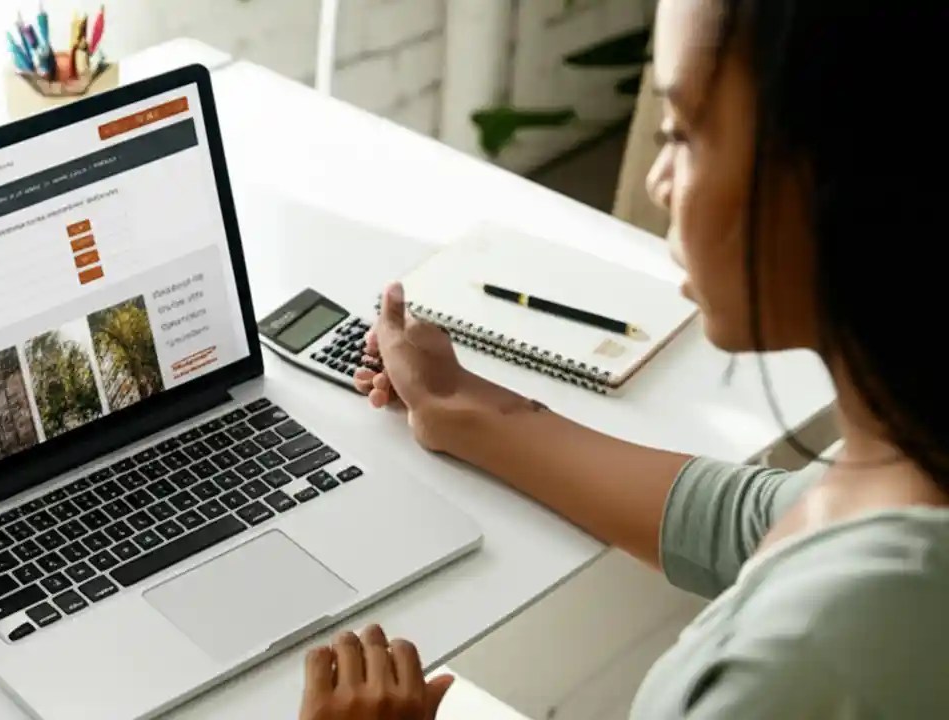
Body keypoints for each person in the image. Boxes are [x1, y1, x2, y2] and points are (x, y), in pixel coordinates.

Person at [296, 0, 949, 718]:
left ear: (843, 165)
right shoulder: (909, 468)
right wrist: (459, 407)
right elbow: (753, 518)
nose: (656, 181)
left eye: (683, 133)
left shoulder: (792, 670)